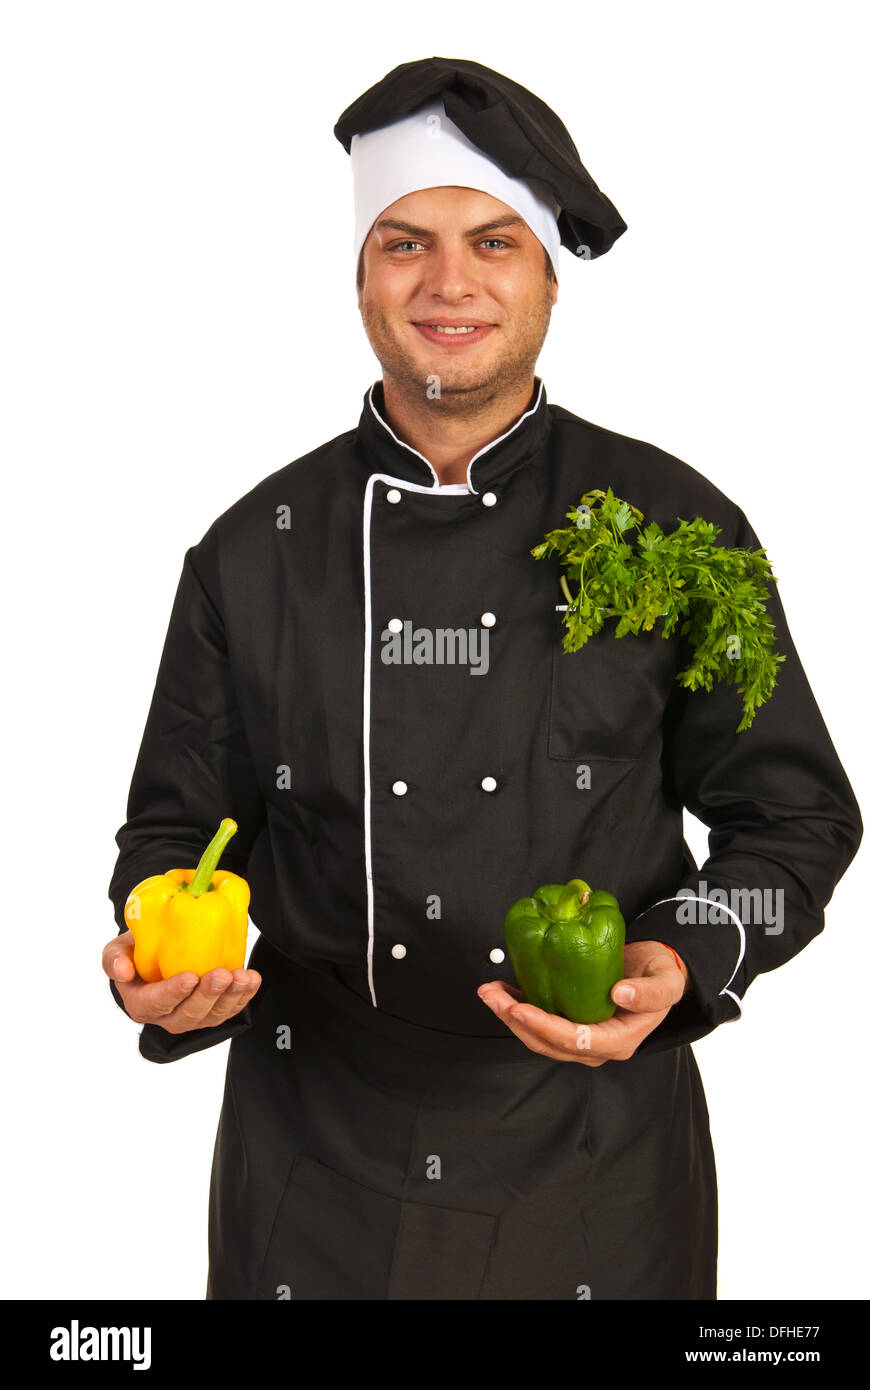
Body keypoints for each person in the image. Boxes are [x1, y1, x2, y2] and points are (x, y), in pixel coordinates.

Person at [103, 56, 862, 1301]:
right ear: (360, 279)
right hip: (312, 1169)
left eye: (493, 243)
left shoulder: (675, 532)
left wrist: (680, 958)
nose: (448, 283)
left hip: (598, 1175)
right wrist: (165, 964)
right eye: (405, 243)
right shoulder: (252, 552)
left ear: (549, 279)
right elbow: (174, 830)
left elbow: (799, 824)